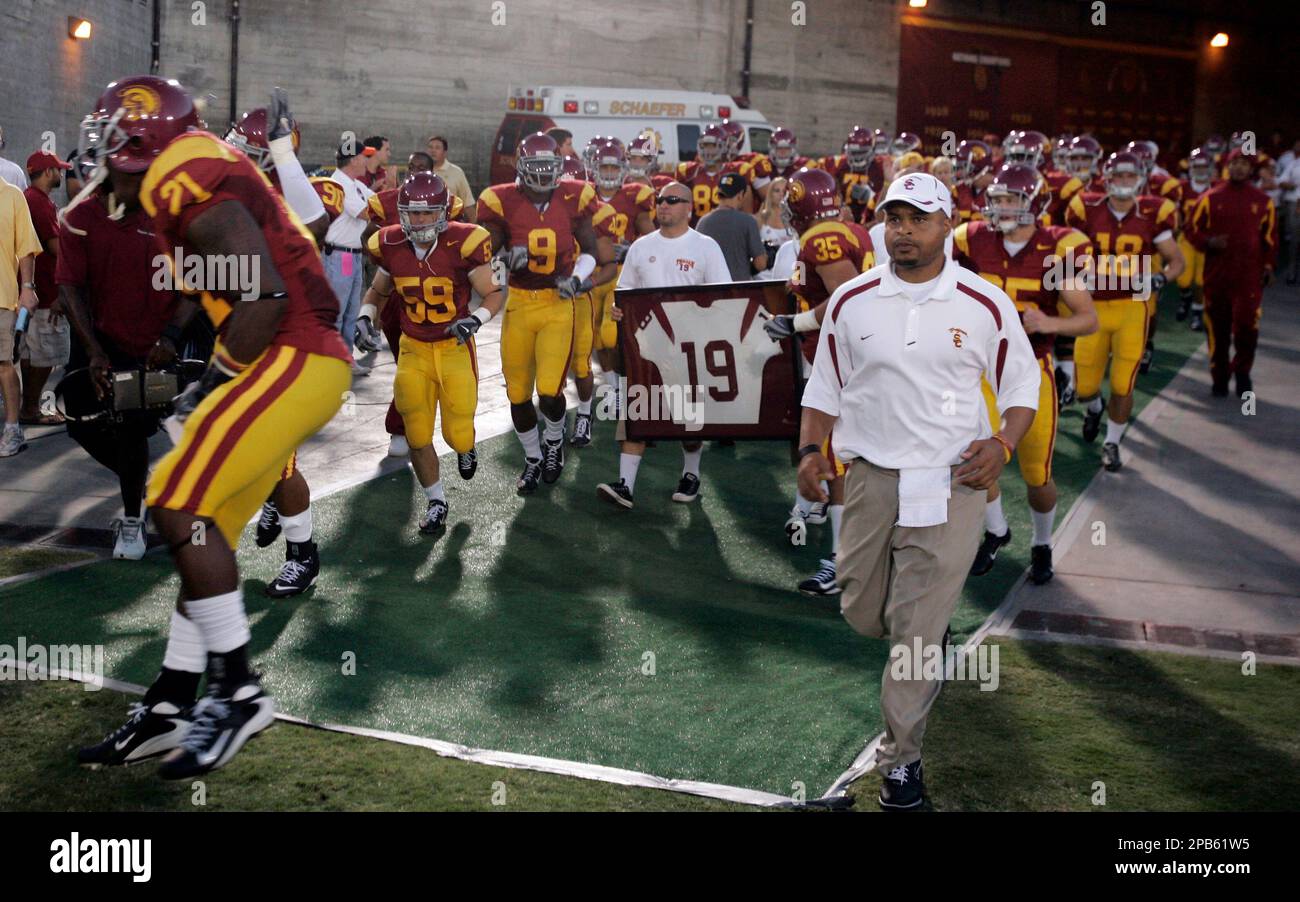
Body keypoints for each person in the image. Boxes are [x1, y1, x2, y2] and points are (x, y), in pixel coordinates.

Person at [73, 75, 350, 778]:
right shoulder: (191, 179)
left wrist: (214, 383)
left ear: (140, 147)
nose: (103, 166)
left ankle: (236, 690)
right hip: (295, 353)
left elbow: (261, 296)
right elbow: (244, 270)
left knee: (176, 501)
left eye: (112, 148)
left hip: (293, 352)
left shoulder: (178, 178)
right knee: (207, 534)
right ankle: (170, 703)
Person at [797, 172, 1040, 810]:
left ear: (946, 225)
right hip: (870, 479)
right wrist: (806, 452)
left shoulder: (983, 302)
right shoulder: (851, 300)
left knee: (912, 635)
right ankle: (923, 632)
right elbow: (824, 389)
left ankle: (901, 765)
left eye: (918, 219)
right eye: (894, 218)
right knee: (860, 607)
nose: (903, 230)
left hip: (950, 482)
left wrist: (1003, 444)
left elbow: (1022, 387)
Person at [956, 163, 1099, 585]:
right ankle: (997, 530)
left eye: (1010, 200)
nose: (999, 207)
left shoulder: (1057, 248)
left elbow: (1087, 319)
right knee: (971, 453)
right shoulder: (972, 238)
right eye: (996, 198)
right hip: (978, 370)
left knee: (1038, 475)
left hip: (1028, 371)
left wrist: (1050, 324)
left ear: (1033, 203)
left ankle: (1041, 542)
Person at [57, 137, 190, 559]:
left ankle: (133, 519)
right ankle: (146, 485)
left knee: (136, 427)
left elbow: (196, 283)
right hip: (102, 337)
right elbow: (69, 285)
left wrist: (170, 336)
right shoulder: (80, 216)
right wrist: (94, 350)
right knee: (78, 420)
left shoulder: (172, 214)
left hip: (155, 343)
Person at [362, 172, 502, 532]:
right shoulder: (390, 243)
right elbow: (377, 292)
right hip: (414, 349)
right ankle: (436, 501)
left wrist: (475, 319)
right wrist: (365, 317)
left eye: (427, 213)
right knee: (418, 433)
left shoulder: (464, 242)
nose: (419, 220)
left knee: (458, 435)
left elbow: (493, 292)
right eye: (412, 212)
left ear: (444, 212)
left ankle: (466, 447)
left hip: (453, 347)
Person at [476, 131, 615, 493]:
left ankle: (554, 442)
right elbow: (484, 258)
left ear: (559, 167)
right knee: (518, 395)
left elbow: (589, 252)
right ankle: (533, 458)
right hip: (520, 303)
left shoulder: (574, 196)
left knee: (549, 391)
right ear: (521, 167)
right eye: (534, 167)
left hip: (558, 304)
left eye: (548, 167)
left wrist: (577, 279)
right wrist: (505, 259)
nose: (542, 175)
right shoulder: (499, 199)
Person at [761, 167, 874, 595]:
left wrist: (796, 321)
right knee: (838, 454)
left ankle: (842, 561)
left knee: (839, 456)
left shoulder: (820, 239)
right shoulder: (851, 230)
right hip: (845, 355)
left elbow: (846, 298)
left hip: (844, 357)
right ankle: (843, 547)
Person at [595, 181, 731, 509]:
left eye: (672, 200)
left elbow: (723, 295)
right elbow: (625, 292)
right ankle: (625, 485)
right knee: (637, 415)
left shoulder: (706, 246)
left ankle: (691, 473)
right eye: (660, 200)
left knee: (689, 420)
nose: (664, 205)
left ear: (689, 207)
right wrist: (618, 309)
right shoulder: (641, 246)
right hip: (647, 345)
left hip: (689, 346)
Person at [1065, 151, 1182, 471]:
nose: (1125, 182)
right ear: (1108, 178)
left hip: (1133, 307)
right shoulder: (1084, 208)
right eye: (1119, 176)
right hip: (1093, 307)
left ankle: (1112, 441)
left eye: (1131, 176)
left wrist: (1161, 277)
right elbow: (1066, 250)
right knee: (1086, 387)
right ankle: (1093, 408)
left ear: (1141, 179)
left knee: (1122, 384)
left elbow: (1177, 261)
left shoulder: (1154, 213)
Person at [579, 136, 655, 446]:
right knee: (594, 339)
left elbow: (651, 236)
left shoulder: (635, 196)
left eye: (614, 166)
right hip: (591, 274)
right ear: (594, 166)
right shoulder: (584, 196)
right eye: (604, 165)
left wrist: (631, 248)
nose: (609, 172)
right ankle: (613, 390)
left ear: (623, 167)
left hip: (622, 274)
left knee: (612, 335)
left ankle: (626, 392)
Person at [1185, 148, 1278, 398]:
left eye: (1244, 164)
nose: (1239, 168)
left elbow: (1270, 239)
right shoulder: (1210, 197)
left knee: (1247, 328)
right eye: (1234, 163)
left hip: (1249, 278)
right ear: (1227, 165)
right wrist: (1208, 242)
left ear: (1251, 169)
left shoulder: (1263, 201)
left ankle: (1243, 372)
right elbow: (1190, 230)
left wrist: (1269, 266)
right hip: (1217, 277)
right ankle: (1219, 375)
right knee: (1218, 328)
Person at [19, 152, 73, 425]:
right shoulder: (39, 203)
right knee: (43, 354)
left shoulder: (29, 198)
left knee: (31, 353)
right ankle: (31, 409)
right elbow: (54, 247)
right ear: (48, 171)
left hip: (31, 290)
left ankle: (29, 407)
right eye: (58, 170)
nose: (61, 175)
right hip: (44, 292)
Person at [0, 166, 42, 457]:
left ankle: (13, 428)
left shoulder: (12, 195)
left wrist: (28, 287)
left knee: (3, 365)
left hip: (1, 297)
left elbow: (26, 248)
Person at [326, 140, 376, 372]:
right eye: (365, 156)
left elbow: (377, 202)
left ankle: (344, 358)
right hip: (341, 255)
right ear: (354, 159)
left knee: (351, 311)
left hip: (352, 255)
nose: (368, 161)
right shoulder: (339, 184)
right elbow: (367, 212)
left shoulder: (355, 184)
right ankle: (331, 360)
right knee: (338, 310)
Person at [696, 172, 767, 280]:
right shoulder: (748, 221)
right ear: (740, 195)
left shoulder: (703, 222)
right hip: (739, 290)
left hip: (710, 290)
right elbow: (760, 264)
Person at [752, 176, 797, 279]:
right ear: (770, 194)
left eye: (785, 191)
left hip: (791, 274)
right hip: (764, 276)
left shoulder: (795, 218)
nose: (781, 194)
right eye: (777, 191)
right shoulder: (760, 218)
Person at [425, 135, 476, 223]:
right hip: (425, 224)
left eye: (437, 148)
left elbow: (468, 203)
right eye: (430, 147)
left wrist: (475, 227)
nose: (433, 151)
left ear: (445, 152)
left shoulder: (456, 172)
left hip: (451, 223)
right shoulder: (422, 171)